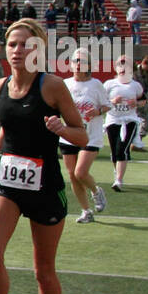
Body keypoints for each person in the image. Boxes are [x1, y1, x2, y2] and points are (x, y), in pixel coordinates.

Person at [0, 18, 88, 294]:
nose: (17, 50)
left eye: (25, 44)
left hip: (45, 186)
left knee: (43, 271)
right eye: (12, 44)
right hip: (7, 182)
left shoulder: (52, 86)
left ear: (38, 49)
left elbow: (82, 135)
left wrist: (61, 129)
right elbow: (8, 124)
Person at [60, 48, 110, 223]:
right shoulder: (64, 84)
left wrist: (97, 111)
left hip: (91, 135)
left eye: (83, 61)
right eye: (76, 61)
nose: (79, 64)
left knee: (80, 172)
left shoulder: (96, 84)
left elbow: (107, 105)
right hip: (68, 134)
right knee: (72, 175)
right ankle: (86, 210)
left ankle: (96, 191)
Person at [103, 55, 144, 191]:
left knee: (122, 149)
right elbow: (101, 102)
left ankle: (119, 180)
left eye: (126, 66)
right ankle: (117, 174)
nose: (122, 68)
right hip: (112, 120)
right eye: (120, 65)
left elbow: (144, 101)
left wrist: (136, 103)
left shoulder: (136, 86)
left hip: (129, 120)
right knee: (115, 151)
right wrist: (113, 102)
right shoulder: (109, 84)